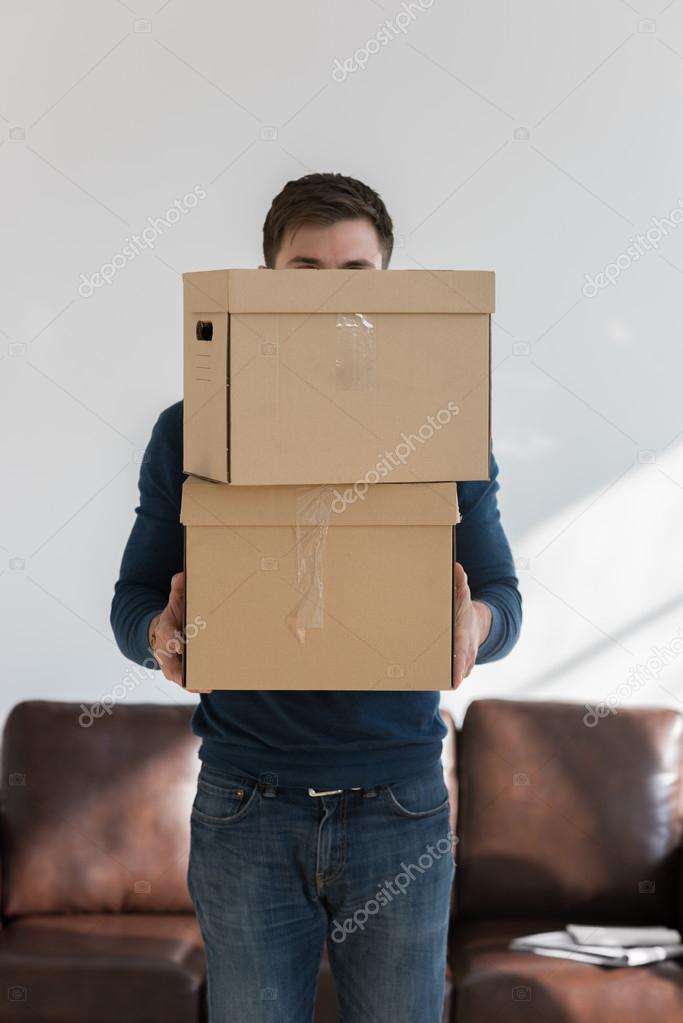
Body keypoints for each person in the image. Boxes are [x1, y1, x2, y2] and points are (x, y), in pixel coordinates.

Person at [110, 172, 522, 1023]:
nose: (331, 303)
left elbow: (501, 599)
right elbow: (134, 599)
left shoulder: (442, 429)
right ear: (263, 287)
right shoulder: (191, 428)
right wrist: (161, 632)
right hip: (245, 805)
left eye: (355, 277)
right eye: (304, 275)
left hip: (400, 805)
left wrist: (469, 624)